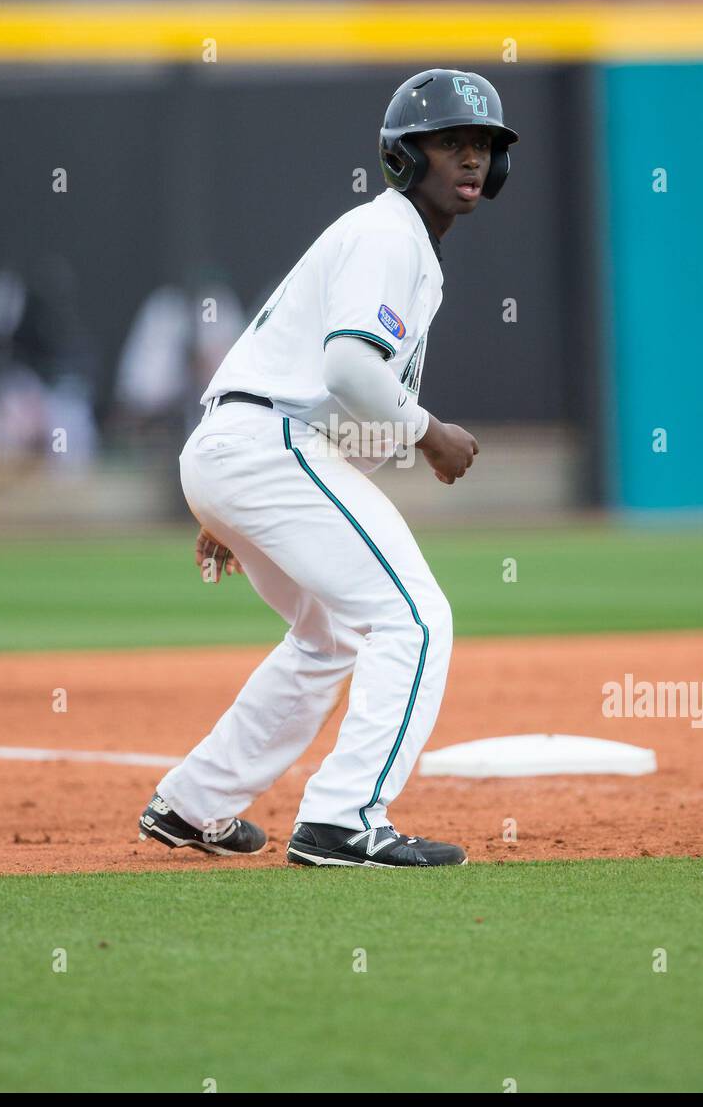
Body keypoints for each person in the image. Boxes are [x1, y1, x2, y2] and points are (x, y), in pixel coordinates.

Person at [139, 69, 518, 868]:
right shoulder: (389, 236)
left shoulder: (396, 241)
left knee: (329, 638)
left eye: (483, 144)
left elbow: (326, 394)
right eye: (450, 142)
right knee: (415, 620)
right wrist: (430, 432)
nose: (471, 158)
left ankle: (192, 802)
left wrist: (230, 510)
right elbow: (348, 369)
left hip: (242, 448)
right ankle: (345, 819)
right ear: (405, 157)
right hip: (265, 446)